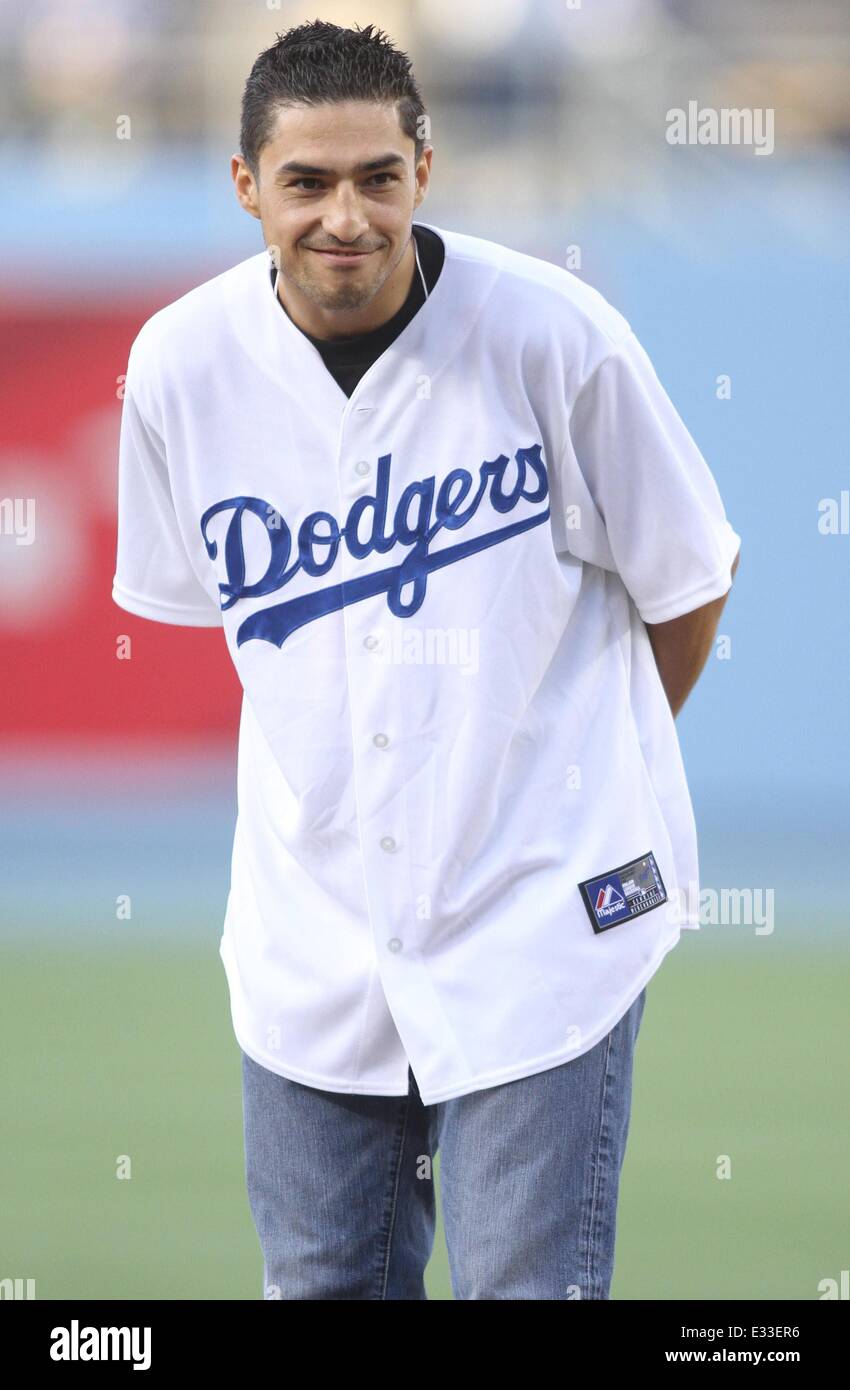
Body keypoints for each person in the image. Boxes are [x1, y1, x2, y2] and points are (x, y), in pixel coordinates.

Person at [112, 20, 741, 1300]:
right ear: (246, 184)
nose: (346, 214)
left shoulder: (554, 333)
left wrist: (585, 772)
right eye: (306, 181)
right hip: (311, 927)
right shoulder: (180, 364)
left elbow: (690, 576)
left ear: (423, 173)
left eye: (376, 178)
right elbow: (205, 607)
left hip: (538, 908)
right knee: (321, 1285)